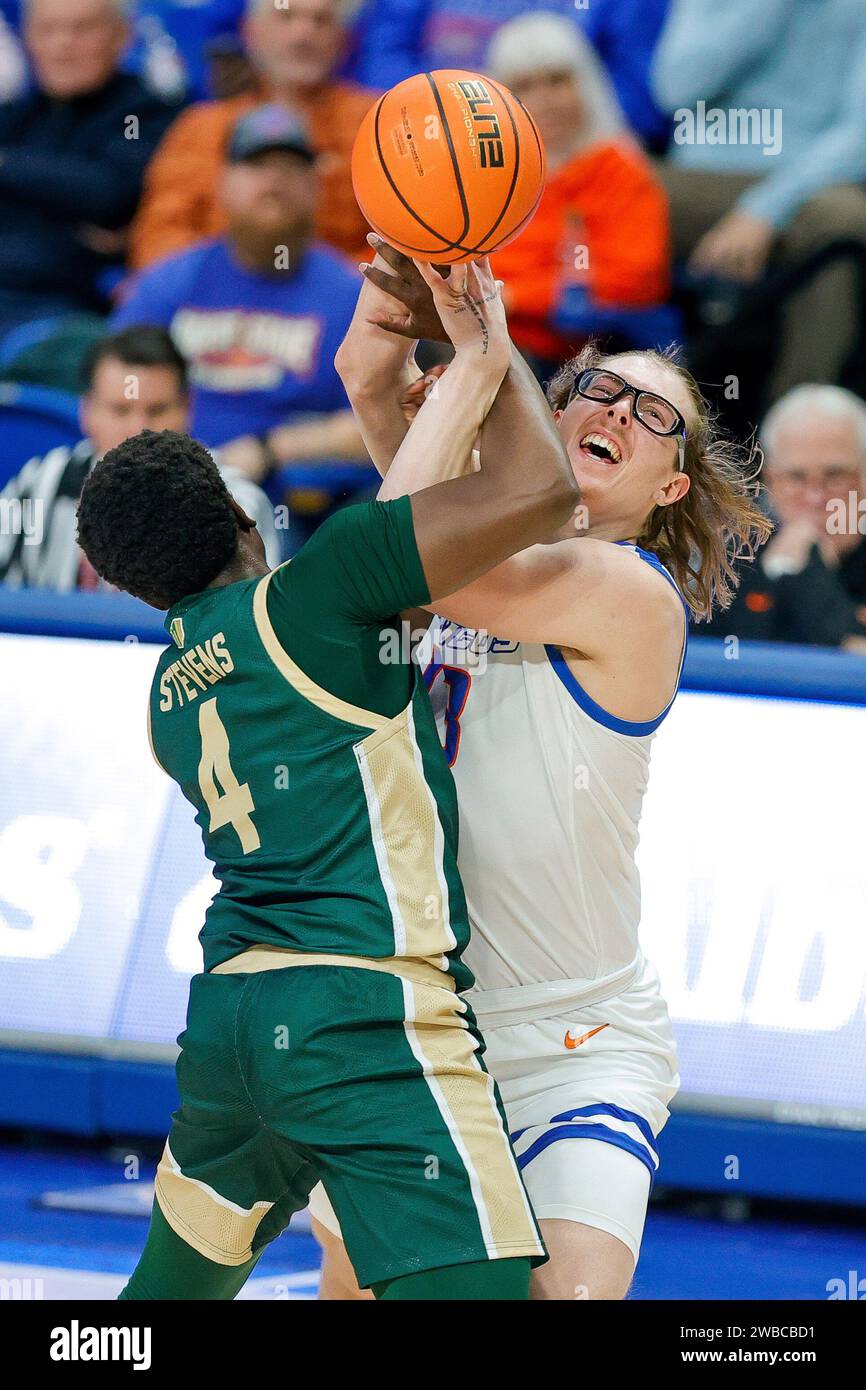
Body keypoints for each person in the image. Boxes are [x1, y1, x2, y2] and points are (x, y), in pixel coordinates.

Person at [75, 257, 580, 1300]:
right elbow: (540, 489)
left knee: (156, 1310)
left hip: (230, 1033)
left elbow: (381, 548)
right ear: (238, 515)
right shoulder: (318, 597)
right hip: (366, 1014)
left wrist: (446, 365)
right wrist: (482, 334)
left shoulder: (174, 691)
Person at [307, 238, 770, 1300]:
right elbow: (411, 497)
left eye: (651, 415)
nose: (612, 410)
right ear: (552, 423)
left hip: (575, 1029)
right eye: (594, 390)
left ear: (668, 487)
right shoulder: (468, 537)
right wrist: (382, 350)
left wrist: (482, 357)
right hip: (417, 1020)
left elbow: (435, 562)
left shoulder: (630, 595)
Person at [113, 106, 365, 482]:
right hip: (170, 486)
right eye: (256, 165)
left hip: (300, 503)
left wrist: (268, 450)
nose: (274, 181)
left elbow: (382, 427)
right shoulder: (169, 283)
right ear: (222, 184)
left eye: (290, 167)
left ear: (316, 188)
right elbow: (113, 396)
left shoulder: (351, 297)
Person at [651, 0, 866, 401]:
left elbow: (859, 136)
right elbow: (675, 87)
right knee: (600, 187)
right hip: (697, 178)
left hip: (808, 181)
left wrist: (764, 209)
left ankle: (799, 435)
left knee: (841, 225)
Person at [0, 327, 280, 590]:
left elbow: (248, 623)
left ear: (187, 408)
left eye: (157, 410)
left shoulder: (236, 504)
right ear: (88, 411)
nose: (138, 429)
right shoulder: (40, 480)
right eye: (120, 410)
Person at [486, 13, 671, 373]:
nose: (545, 100)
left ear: (586, 84)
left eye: (558, 81)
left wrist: (515, 296)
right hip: (483, 334)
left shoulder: (621, 170)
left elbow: (637, 279)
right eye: (525, 86)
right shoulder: (488, 173)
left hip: (572, 357)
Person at [129, 0, 372, 270]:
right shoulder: (199, 128)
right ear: (251, 32)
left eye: (321, 21)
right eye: (286, 17)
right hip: (215, 303)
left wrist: (323, 287)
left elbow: (399, 243)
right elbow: (159, 235)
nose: (303, 35)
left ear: (345, 39)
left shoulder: (376, 123)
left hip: (345, 304)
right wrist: (240, 285)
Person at [0, 0, 179, 334]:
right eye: (47, 30)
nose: (63, 45)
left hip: (68, 312)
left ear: (122, 35)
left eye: (83, 29)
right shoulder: (17, 116)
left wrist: (8, 167)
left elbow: (109, 193)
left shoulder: (141, 114)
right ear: (27, 39)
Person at [349, 0, 671, 149]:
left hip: (570, 153)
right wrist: (462, 120)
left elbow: (638, 94)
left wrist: (543, 115)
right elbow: (379, 63)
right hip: (435, 145)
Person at [702, 384, 866, 649]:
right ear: (771, 480)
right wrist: (780, 573)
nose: (815, 497)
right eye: (797, 478)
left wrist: (810, 572)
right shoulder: (728, 563)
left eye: (835, 475)